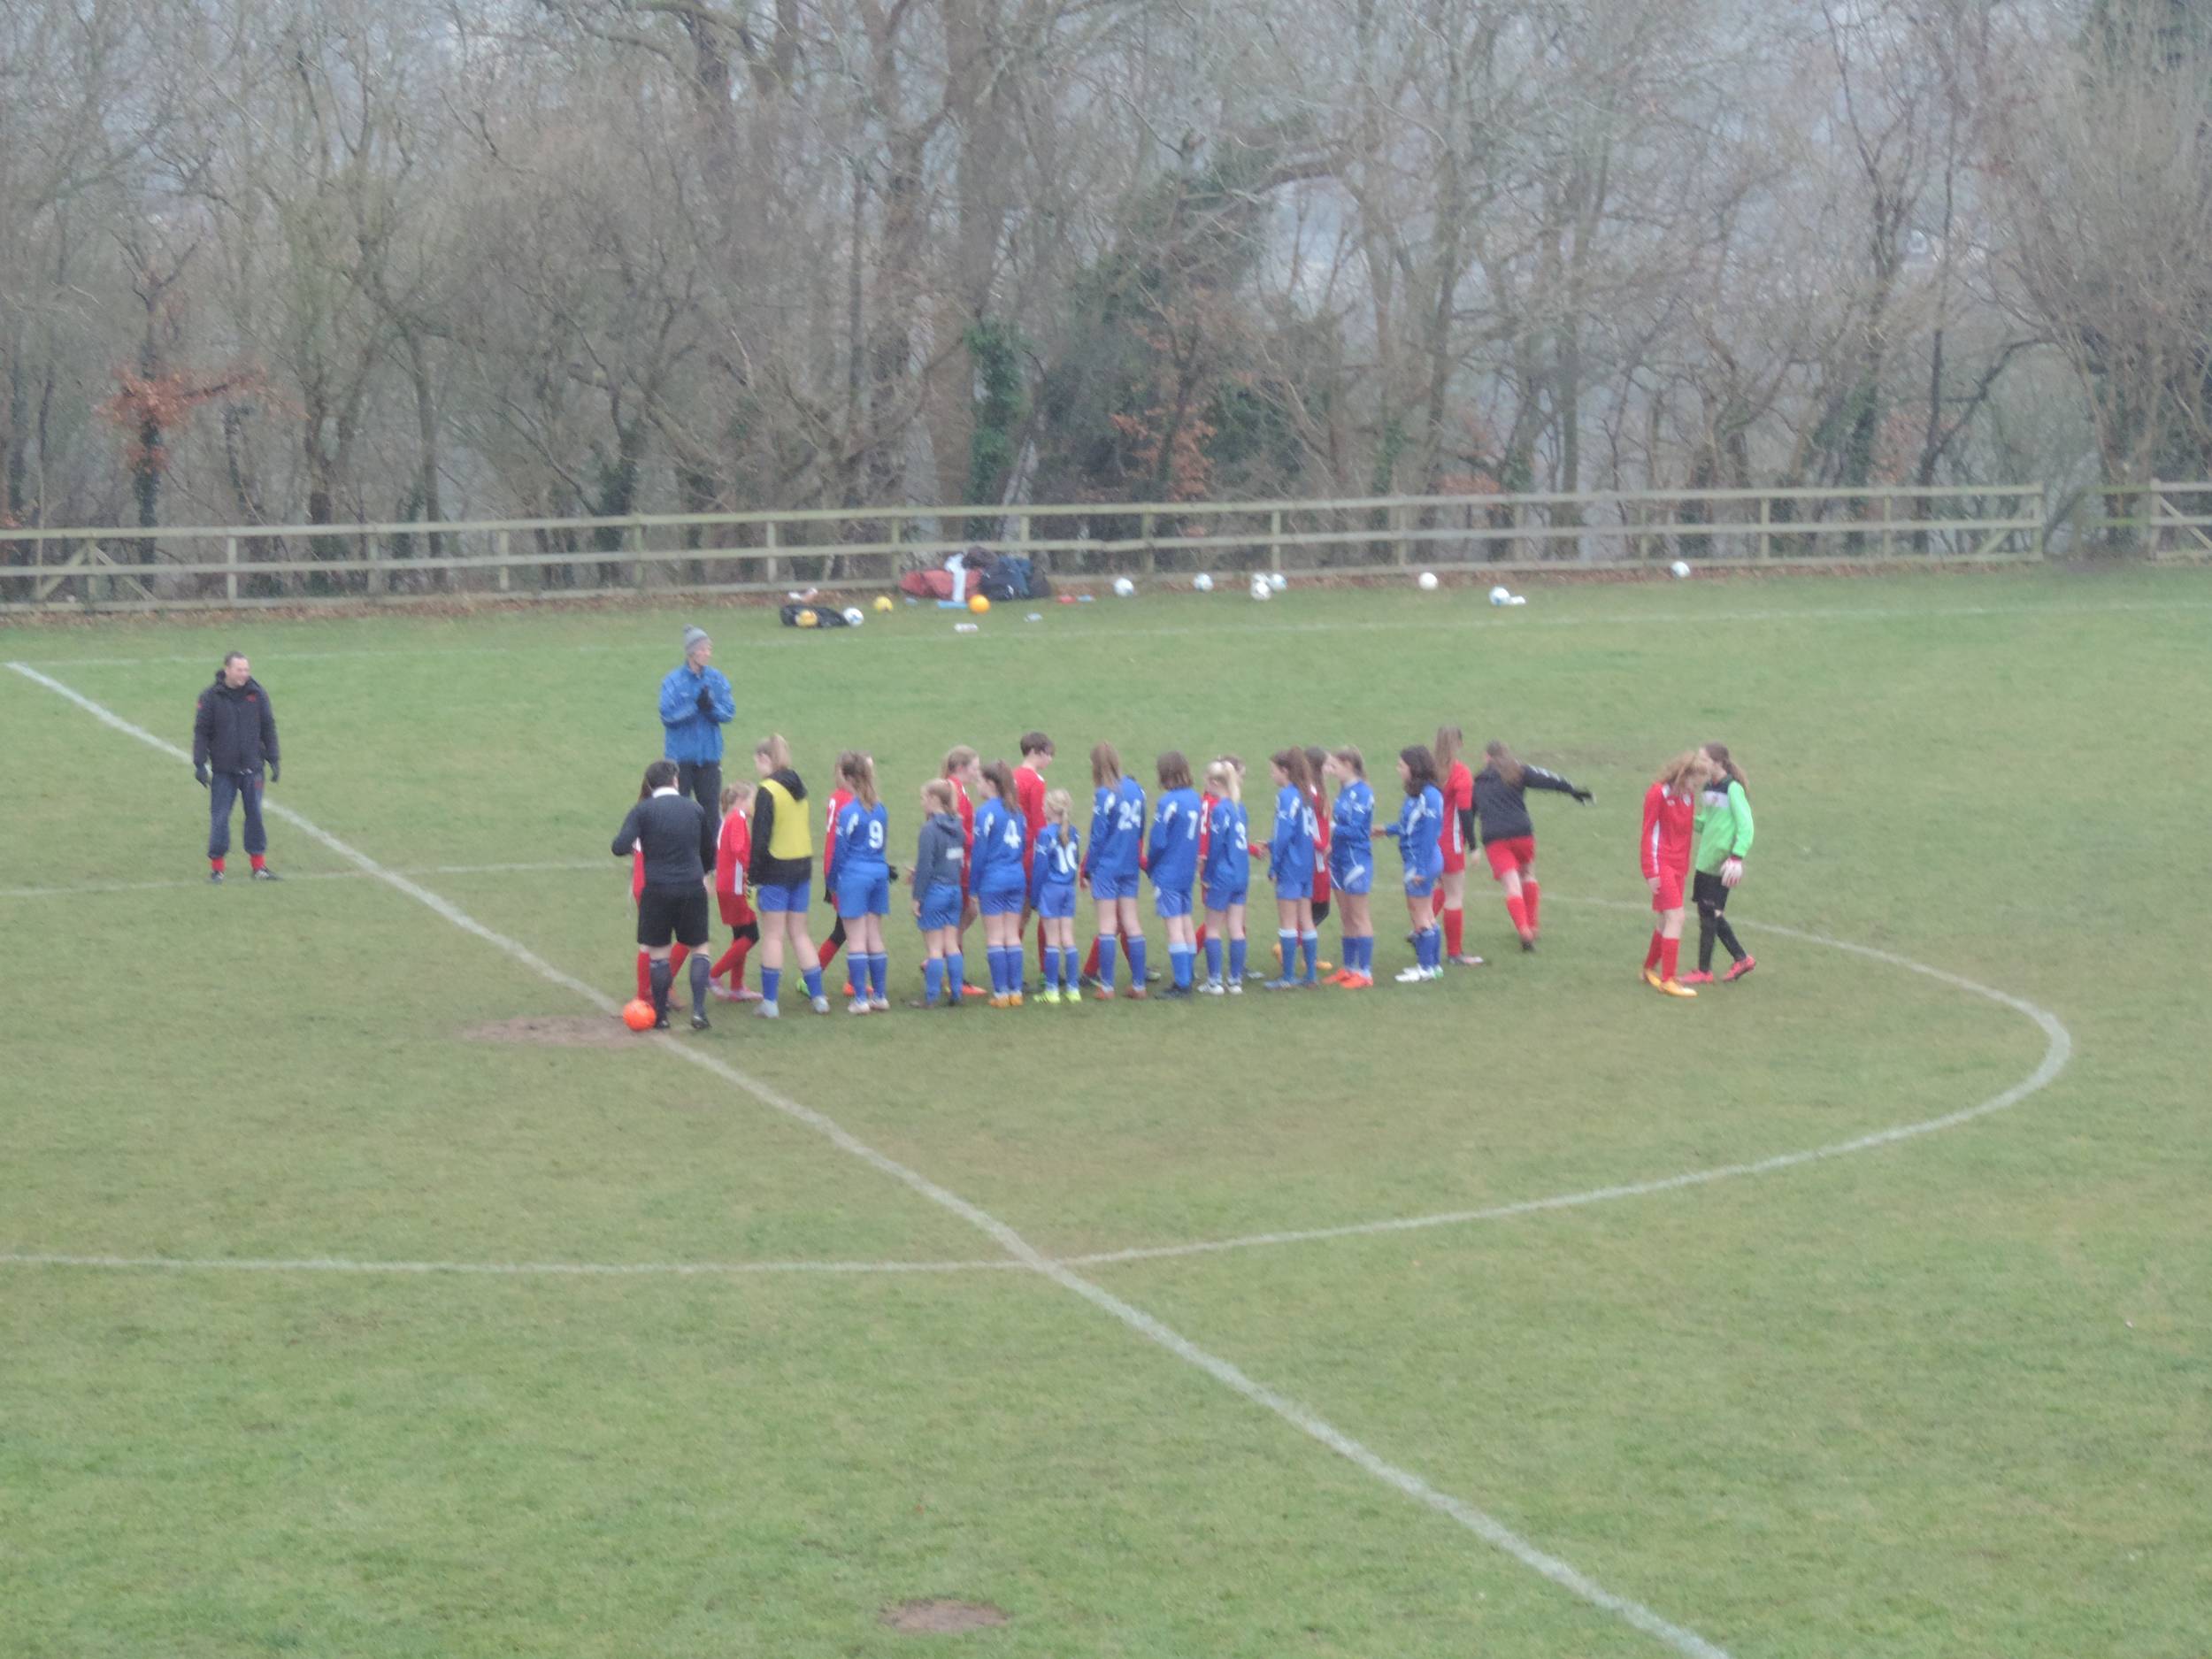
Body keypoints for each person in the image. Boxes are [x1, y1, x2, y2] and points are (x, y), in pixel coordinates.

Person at [611, 758, 719, 1030]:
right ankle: (698, 1012)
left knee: (658, 954)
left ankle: (660, 1017)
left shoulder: (643, 811)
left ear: (649, 784)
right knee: (700, 949)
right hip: (691, 886)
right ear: (675, 780)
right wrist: (702, 873)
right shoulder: (694, 808)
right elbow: (709, 851)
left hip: (657, 888)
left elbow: (619, 846)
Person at [1471, 740, 1592, 951]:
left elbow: (1467, 812)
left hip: (1494, 838)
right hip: (1522, 833)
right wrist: (1572, 790)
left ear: (1487, 758)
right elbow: (1548, 778)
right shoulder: (1518, 771)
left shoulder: (1478, 782)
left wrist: (1469, 842)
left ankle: (1523, 930)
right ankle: (1533, 926)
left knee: (1511, 885)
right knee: (1528, 875)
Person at [747, 733, 829, 1018]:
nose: (756, 767)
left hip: (776, 867)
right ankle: (818, 997)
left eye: (757, 761)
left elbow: (760, 837)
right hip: (802, 866)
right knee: (800, 933)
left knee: (772, 935)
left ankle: (770, 1002)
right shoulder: (798, 787)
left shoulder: (767, 790)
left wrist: (753, 877)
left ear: (766, 759)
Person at [191, 650, 281, 883]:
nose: (244, 674)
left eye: (246, 670)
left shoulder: (257, 694)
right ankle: (217, 869)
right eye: (240, 670)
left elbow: (268, 727)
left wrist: (274, 759)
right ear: (227, 670)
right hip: (223, 771)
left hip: (253, 768)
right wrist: (200, 763)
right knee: (220, 818)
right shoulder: (211, 697)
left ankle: (259, 867)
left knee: (255, 816)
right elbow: (201, 732)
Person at [1640, 749, 1715, 998]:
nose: (1697, 789)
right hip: (1661, 865)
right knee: (1677, 918)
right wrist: (1650, 871)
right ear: (1685, 776)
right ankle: (1669, 980)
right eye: (1695, 783)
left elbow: (1683, 835)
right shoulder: (1658, 793)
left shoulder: (1687, 798)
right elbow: (1648, 833)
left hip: (1678, 867)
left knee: (1664, 919)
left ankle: (1648, 969)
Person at [1685, 741, 1756, 985]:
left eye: (1703, 759)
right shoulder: (1707, 788)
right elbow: (1706, 823)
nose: (1699, 762)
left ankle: (1704, 970)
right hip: (1705, 859)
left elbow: (1746, 825)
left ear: (1717, 763)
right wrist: (1685, 816)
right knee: (1709, 913)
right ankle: (1740, 958)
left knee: (1710, 914)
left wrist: (1737, 856)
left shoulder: (1732, 789)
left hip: (1722, 862)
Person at [1081, 741, 1148, 1000]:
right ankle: (1139, 984)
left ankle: (1107, 986)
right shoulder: (1137, 790)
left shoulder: (1104, 794)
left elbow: (1097, 837)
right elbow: (1141, 828)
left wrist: (1088, 868)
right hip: (1130, 864)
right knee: (1132, 922)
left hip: (1108, 866)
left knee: (1107, 924)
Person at [831, 754, 893, 1013]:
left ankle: (859, 1000)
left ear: (849, 778)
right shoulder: (880, 809)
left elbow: (841, 850)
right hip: (879, 873)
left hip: (855, 875)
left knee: (856, 938)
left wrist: (833, 880)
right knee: (874, 935)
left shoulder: (849, 812)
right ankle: (879, 995)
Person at [1380, 744, 1446, 983]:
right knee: (1426, 913)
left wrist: (1419, 869)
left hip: (1422, 861)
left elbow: (1429, 834)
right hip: (1422, 860)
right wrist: (1385, 830)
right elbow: (1410, 826)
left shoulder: (1429, 796)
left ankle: (1426, 968)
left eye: (1401, 765)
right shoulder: (1419, 794)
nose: (1398, 769)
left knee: (1419, 915)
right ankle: (1434, 967)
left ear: (1414, 767)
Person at [658, 626, 735, 817]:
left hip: (709, 757)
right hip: (680, 759)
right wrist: (695, 708)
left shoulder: (717, 679)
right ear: (691, 652)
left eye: (709, 649)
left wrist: (711, 708)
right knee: (678, 814)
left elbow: (729, 713)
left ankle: (709, 848)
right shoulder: (673, 681)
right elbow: (667, 717)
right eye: (702, 649)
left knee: (710, 815)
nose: (707, 653)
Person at [972, 760, 1031, 1007]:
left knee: (995, 937)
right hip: (1016, 877)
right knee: (1012, 935)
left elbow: (979, 854)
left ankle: (1001, 993)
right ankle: (1016, 992)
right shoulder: (1017, 811)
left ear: (991, 784)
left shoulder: (985, 812)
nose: (977, 785)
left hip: (993, 880)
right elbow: (1025, 845)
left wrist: (974, 888)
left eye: (979, 781)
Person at [1262, 749, 1319, 989]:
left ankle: (1287, 978)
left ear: (1285, 771)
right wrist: (1271, 843)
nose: (1271, 775)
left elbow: (1284, 833)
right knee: (1306, 919)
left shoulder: (1286, 796)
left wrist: (1274, 864)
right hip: (1306, 865)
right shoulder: (1307, 794)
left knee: (1287, 921)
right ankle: (1310, 976)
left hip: (1290, 865)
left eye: (1273, 770)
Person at [1148, 751, 1203, 996]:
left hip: (1168, 871)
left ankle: (1181, 984)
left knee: (1174, 927)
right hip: (1186, 870)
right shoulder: (1195, 798)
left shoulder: (1168, 802)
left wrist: (1151, 866)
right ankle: (1188, 974)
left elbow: (1158, 841)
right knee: (1186, 921)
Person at [910, 780, 968, 1010]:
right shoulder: (959, 827)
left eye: (924, 798)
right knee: (951, 944)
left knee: (934, 948)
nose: (922, 802)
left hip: (935, 892)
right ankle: (956, 993)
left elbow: (926, 866)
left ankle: (931, 997)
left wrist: (917, 897)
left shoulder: (929, 830)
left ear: (934, 800)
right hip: (954, 890)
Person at [1324, 748, 1377, 988]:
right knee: (1346, 915)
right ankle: (1349, 968)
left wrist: (1332, 828)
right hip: (1339, 858)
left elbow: (1357, 830)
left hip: (1356, 859)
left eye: (1335, 766)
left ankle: (1365, 973)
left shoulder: (1362, 793)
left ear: (1348, 765)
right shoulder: (1343, 792)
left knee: (1359, 915)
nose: (1331, 771)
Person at [1028, 788, 1084, 1005]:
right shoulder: (1075, 832)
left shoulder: (1045, 834)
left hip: (1051, 889)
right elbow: (1076, 859)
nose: (1041, 808)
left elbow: (1040, 868)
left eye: (1044, 805)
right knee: (1068, 938)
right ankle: (1073, 989)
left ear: (1050, 809)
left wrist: (1034, 897)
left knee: (1052, 940)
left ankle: (1051, 990)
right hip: (1068, 889)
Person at [1198, 759, 1248, 995]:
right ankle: (1236, 980)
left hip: (1223, 875)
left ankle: (1215, 981)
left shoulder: (1219, 810)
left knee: (1213, 928)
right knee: (1236, 928)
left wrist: (1207, 876)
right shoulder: (1241, 808)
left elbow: (1216, 847)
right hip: (1241, 874)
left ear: (1215, 782)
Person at [1432, 726, 1481, 965]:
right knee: (1454, 895)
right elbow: (1465, 812)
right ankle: (1454, 953)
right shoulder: (1460, 773)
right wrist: (1474, 846)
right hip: (1449, 843)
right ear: (1459, 744)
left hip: (1427, 842)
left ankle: (1420, 927)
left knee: (1438, 885)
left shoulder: (1428, 770)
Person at [708, 783, 761, 1002]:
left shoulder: (728, 820)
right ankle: (713, 975)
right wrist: (753, 870)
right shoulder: (737, 818)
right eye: (752, 801)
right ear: (740, 800)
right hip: (735, 886)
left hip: (727, 885)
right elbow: (739, 849)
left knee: (740, 935)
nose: (753, 806)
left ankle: (737, 987)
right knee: (751, 934)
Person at [815, 752, 860, 995]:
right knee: (850, 927)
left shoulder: (836, 797)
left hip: (835, 868)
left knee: (844, 928)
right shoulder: (849, 802)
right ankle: (815, 977)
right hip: (844, 872)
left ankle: (850, 981)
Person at [1013, 732, 1055, 987]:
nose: (1050, 759)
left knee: (1017, 915)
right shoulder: (1036, 782)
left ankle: (1011, 971)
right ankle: (1044, 970)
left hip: (1012, 850)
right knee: (1036, 913)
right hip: (1031, 853)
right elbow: (1040, 823)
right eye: (1049, 754)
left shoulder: (1013, 777)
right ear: (1036, 752)